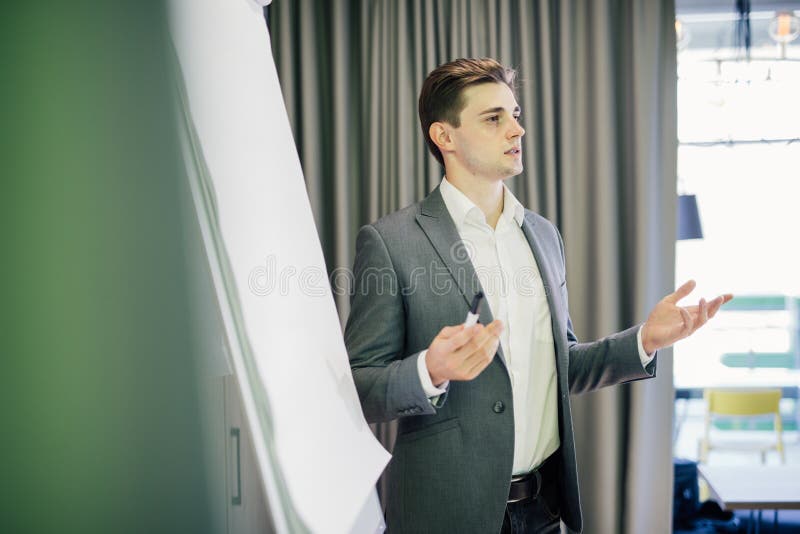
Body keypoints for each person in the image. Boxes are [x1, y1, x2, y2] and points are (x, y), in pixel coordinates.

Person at [344, 58, 731, 534]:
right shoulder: (390, 241)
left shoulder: (543, 236)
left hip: (544, 512)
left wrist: (644, 341)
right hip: (444, 513)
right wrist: (430, 370)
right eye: (494, 118)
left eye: (515, 114)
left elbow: (560, 366)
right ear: (445, 137)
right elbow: (358, 388)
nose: (517, 130)